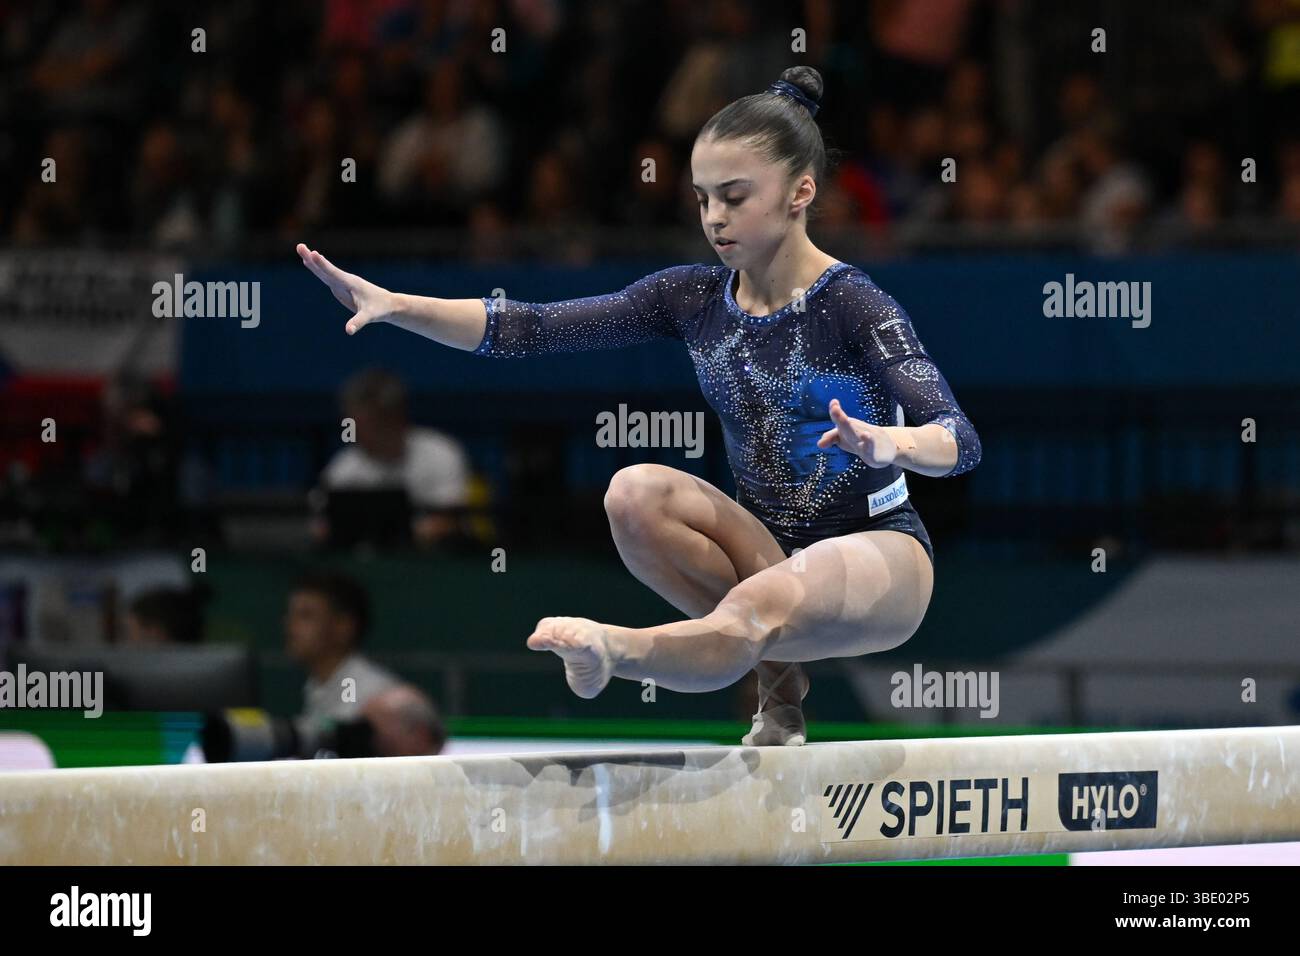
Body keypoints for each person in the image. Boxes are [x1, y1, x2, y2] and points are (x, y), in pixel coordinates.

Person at [296, 66, 981, 747]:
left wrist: (892, 445)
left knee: (754, 608)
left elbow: (959, 439)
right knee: (632, 494)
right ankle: (779, 692)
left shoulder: (853, 304)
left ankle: (616, 652)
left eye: (735, 197)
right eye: (703, 197)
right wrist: (395, 306)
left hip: (876, 551)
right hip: (764, 549)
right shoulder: (690, 298)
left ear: (801, 191)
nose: (715, 217)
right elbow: (530, 326)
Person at [314, 367, 470, 548]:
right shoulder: (343, 467)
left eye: (368, 423)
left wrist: (398, 540)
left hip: (435, 560)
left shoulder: (441, 452)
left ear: (395, 417)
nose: (356, 431)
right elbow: (321, 527)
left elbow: (447, 520)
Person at [284, 570, 400, 723]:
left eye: (306, 615)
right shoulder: (317, 686)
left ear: (343, 626)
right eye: (291, 614)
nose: (290, 625)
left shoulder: (366, 692)